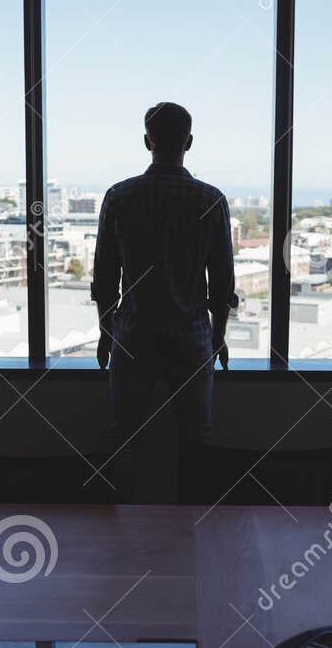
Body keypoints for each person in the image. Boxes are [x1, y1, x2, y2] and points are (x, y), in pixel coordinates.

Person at [90, 102, 237, 500]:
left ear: (147, 141)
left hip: (133, 336)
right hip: (191, 338)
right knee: (196, 446)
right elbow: (222, 281)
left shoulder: (120, 197)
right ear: (189, 142)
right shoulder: (211, 199)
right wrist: (218, 336)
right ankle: (190, 529)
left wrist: (106, 332)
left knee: (124, 443)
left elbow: (105, 277)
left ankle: (119, 525)